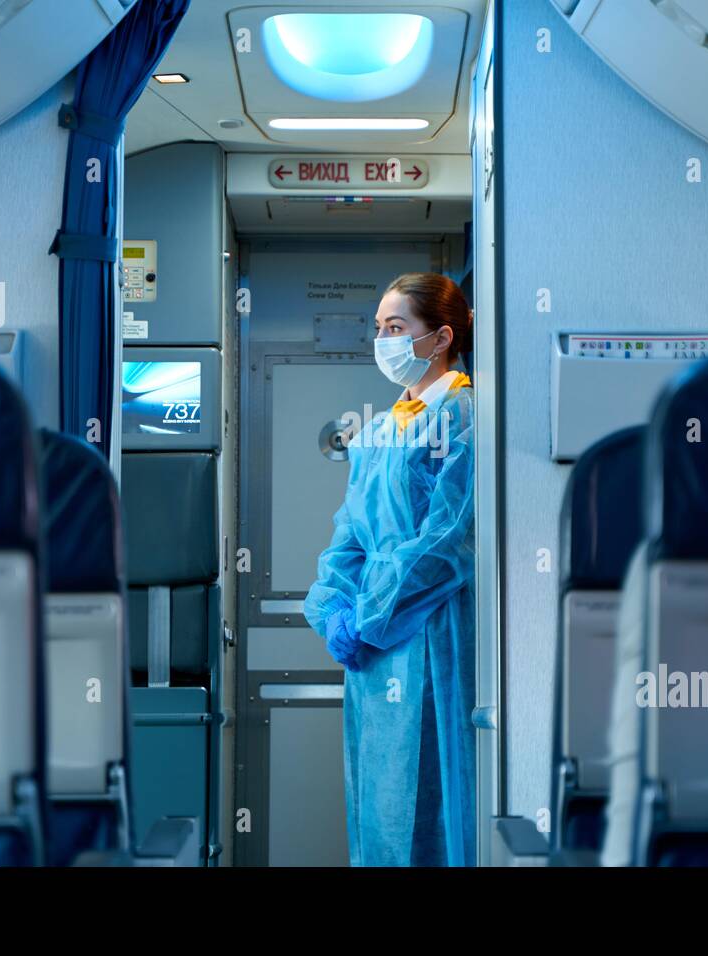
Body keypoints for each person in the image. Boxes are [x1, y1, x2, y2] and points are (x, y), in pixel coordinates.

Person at [303, 272, 476, 867]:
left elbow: (447, 544)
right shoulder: (379, 430)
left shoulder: (463, 419)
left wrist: (374, 616)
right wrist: (332, 609)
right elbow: (350, 536)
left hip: (426, 637)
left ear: (441, 337)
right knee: (377, 805)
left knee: (427, 799)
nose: (383, 340)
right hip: (370, 654)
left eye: (396, 328)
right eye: (378, 328)